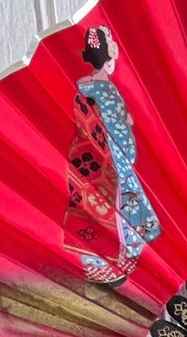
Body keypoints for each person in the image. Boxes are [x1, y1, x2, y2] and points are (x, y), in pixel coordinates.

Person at [63, 25, 160, 285]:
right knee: (121, 209)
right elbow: (119, 126)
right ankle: (118, 264)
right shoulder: (107, 90)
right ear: (109, 58)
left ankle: (95, 265)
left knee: (90, 208)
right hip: (112, 161)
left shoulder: (82, 87)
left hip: (86, 159)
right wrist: (127, 139)